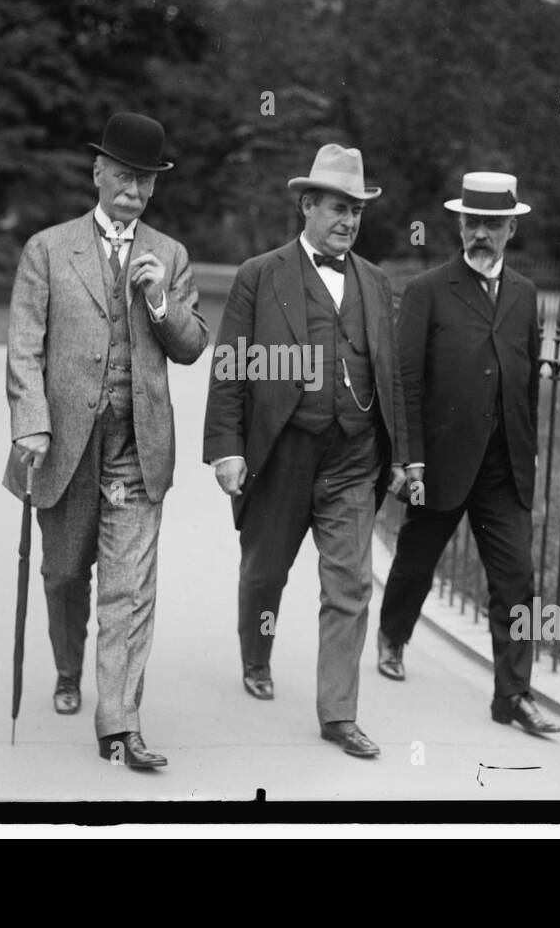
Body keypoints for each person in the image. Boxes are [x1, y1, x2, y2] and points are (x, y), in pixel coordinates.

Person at [2, 111, 208, 769]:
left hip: (136, 445)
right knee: (65, 573)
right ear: (98, 172)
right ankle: (68, 666)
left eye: (146, 181)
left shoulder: (169, 256)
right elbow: (23, 346)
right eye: (124, 176)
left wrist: (158, 302)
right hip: (64, 442)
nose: (135, 191)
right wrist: (30, 419)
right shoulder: (46, 249)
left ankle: (120, 723)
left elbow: (192, 343)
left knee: (129, 587)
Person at [203, 144, 408, 759]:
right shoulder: (260, 275)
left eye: (357, 211)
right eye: (337, 208)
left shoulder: (374, 281)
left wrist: (403, 456)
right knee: (265, 571)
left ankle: (339, 715)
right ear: (307, 206)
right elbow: (230, 368)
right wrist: (226, 449)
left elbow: (391, 375)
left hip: (354, 456)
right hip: (283, 449)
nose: (348, 220)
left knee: (349, 582)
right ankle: (256, 654)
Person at [375, 171, 560, 736]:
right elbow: (405, 379)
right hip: (441, 464)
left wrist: (526, 454)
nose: (481, 234)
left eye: (492, 225)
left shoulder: (525, 295)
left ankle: (513, 696)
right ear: (459, 225)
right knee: (415, 562)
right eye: (472, 223)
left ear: (510, 230)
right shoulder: (430, 289)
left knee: (517, 581)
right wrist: (410, 460)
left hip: (503, 469)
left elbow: (527, 382)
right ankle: (393, 635)